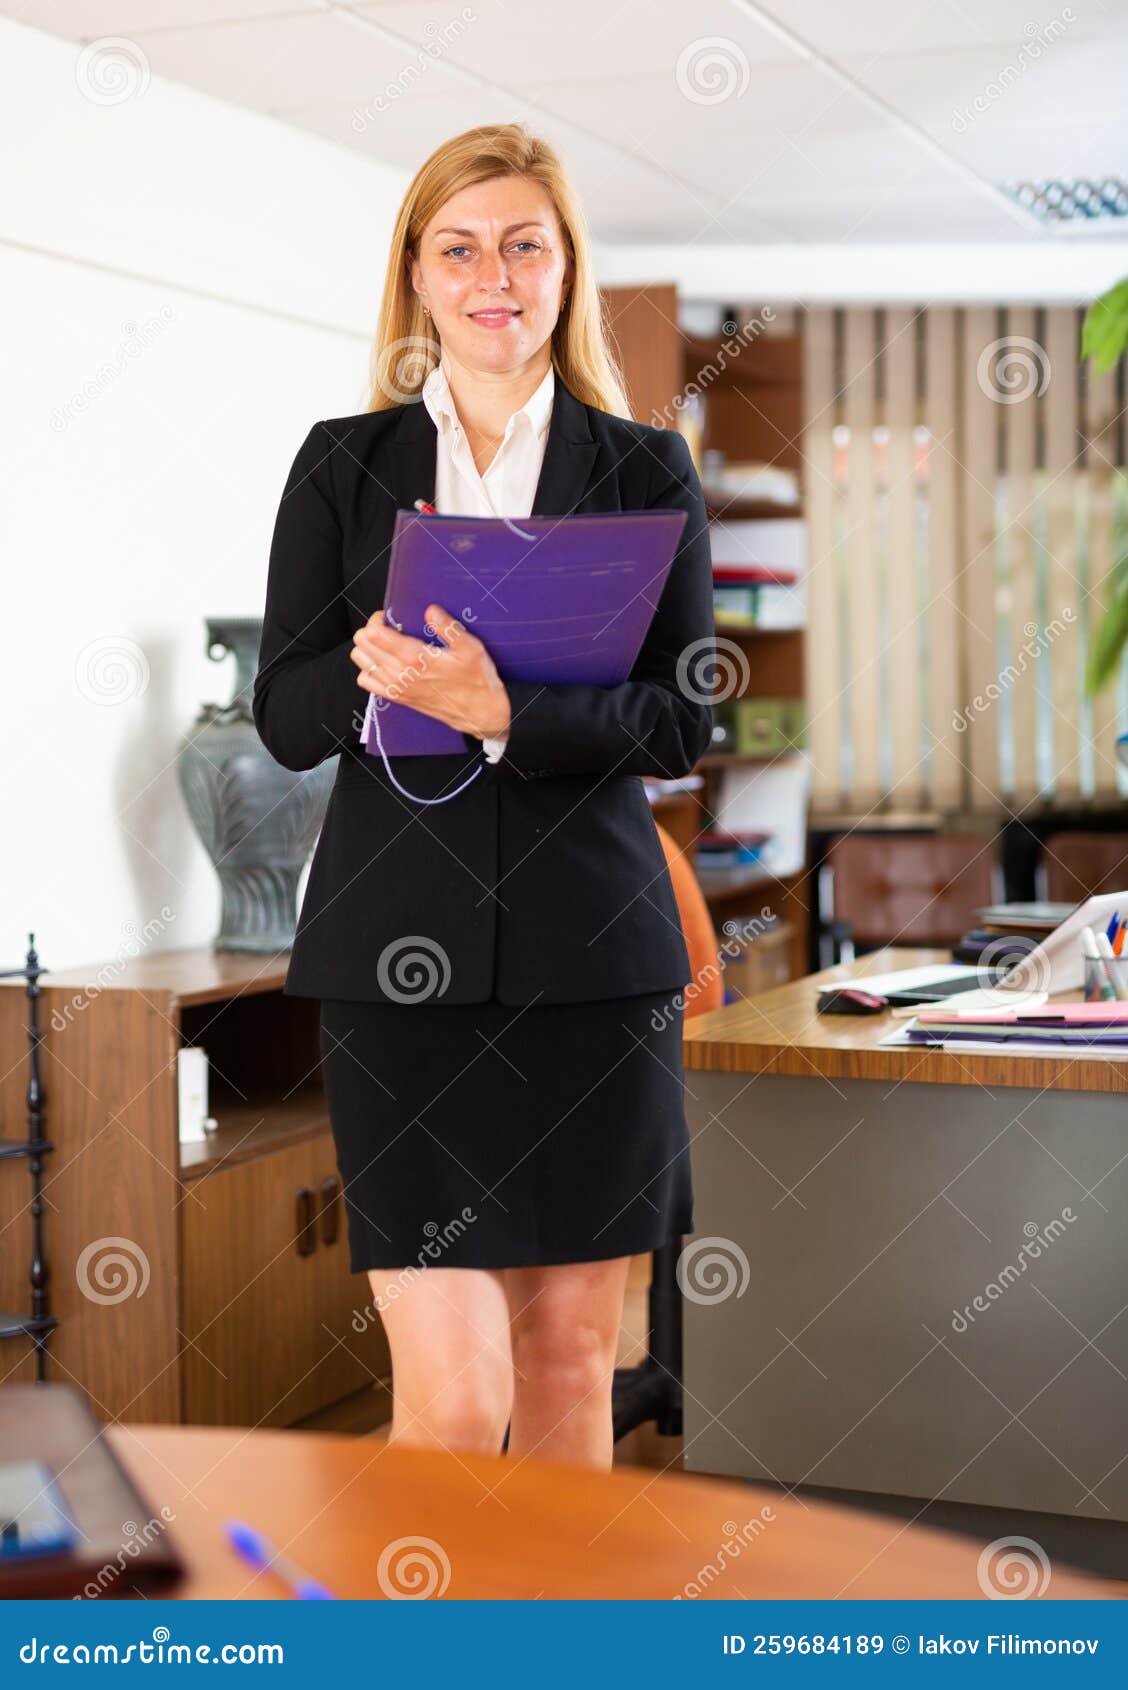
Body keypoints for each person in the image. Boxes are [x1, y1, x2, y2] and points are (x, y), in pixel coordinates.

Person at [253, 122, 715, 1470]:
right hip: (401, 977)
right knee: (455, 1402)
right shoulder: (342, 466)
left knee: (572, 1365)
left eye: (524, 242)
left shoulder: (645, 469)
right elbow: (283, 715)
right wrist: (383, 683)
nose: (492, 272)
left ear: (567, 269)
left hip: (593, 970)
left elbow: (682, 717)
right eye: (458, 246)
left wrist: (508, 714)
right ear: (416, 274)